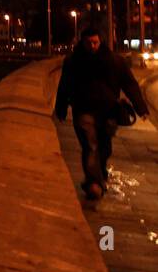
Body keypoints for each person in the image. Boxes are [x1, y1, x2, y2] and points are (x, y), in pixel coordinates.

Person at [54, 27, 149, 199]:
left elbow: (130, 84)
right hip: (83, 109)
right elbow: (64, 85)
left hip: (108, 112)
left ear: (101, 41)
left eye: (95, 42)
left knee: (104, 147)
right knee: (90, 146)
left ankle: (99, 174)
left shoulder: (114, 61)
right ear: (82, 43)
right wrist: (60, 108)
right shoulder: (73, 61)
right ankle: (94, 183)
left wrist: (140, 108)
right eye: (89, 43)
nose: (92, 46)